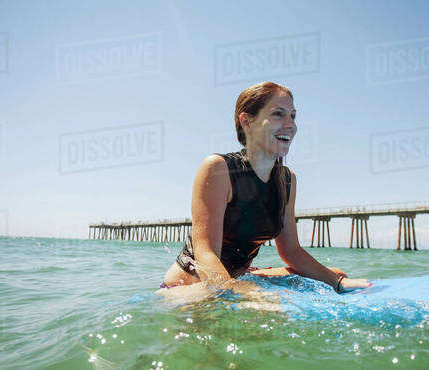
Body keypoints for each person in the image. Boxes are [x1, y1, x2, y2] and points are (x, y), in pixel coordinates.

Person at [158, 82, 371, 294]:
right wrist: (245, 295)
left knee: (335, 273)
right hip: (190, 286)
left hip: (237, 278)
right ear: (247, 122)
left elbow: (292, 251)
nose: (291, 125)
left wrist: (336, 282)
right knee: (268, 305)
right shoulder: (218, 169)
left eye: (293, 116)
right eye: (278, 114)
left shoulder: (286, 180)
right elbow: (205, 255)